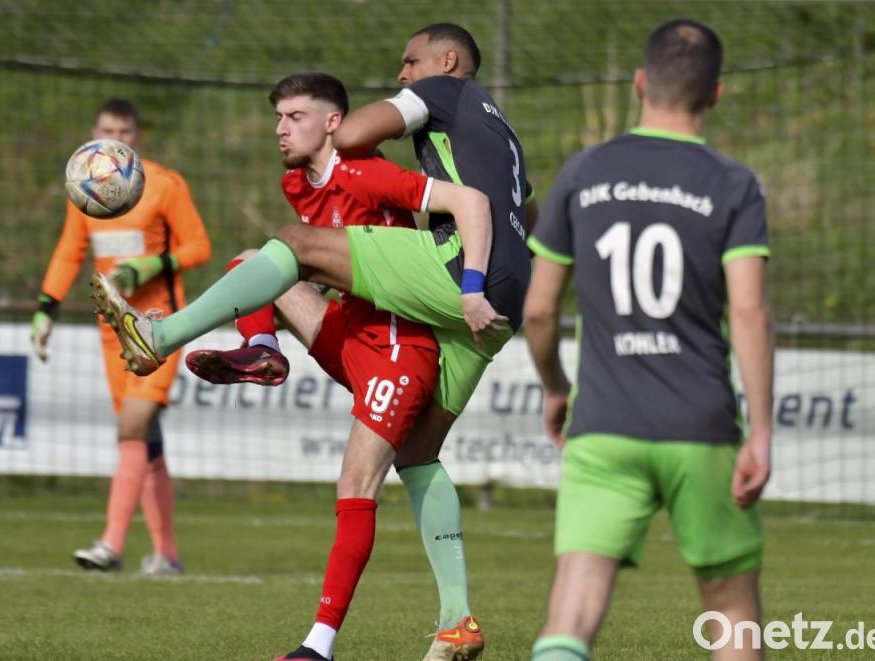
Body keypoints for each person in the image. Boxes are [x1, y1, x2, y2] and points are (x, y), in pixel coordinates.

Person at [92, 23, 532, 661]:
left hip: (428, 317)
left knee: (296, 257)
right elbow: (528, 214)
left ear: (446, 60)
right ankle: (456, 621)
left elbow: (372, 143)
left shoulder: (436, 102)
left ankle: (158, 334)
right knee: (416, 453)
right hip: (496, 301)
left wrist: (469, 283)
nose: (403, 75)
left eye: (410, 62)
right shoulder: (497, 132)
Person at [185, 71, 479, 661]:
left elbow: (454, 205)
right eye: (278, 117)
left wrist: (476, 285)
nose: (280, 128)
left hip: (399, 348)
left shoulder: (368, 171)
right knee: (253, 261)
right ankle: (265, 351)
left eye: (294, 117)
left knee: (358, 482)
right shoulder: (298, 183)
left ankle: (319, 646)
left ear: (333, 123)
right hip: (349, 334)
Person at [522, 18, 774, 660]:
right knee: (731, 610)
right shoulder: (734, 184)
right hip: (702, 425)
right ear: (716, 94)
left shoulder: (584, 172)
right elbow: (747, 312)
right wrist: (763, 431)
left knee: (573, 605)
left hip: (604, 423)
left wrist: (556, 388)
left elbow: (541, 312)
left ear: (639, 84)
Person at [32, 98, 211, 575]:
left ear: (137, 136)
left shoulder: (163, 185)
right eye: (109, 128)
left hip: (160, 327)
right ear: (95, 131)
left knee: (131, 427)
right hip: (112, 334)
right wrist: (46, 308)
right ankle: (167, 554)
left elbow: (199, 246)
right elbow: (70, 252)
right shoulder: (83, 190)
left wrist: (154, 264)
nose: (118, 138)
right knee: (145, 441)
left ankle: (110, 545)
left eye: (126, 131)